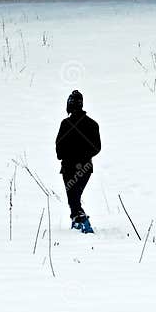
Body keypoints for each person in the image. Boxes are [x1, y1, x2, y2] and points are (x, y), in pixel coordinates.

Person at [55, 90, 101, 231]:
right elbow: (97, 148)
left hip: (68, 168)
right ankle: (78, 221)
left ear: (69, 105)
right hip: (85, 168)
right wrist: (84, 156)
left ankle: (81, 222)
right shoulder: (93, 124)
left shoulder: (65, 124)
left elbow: (59, 149)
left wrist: (68, 155)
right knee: (75, 197)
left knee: (73, 198)